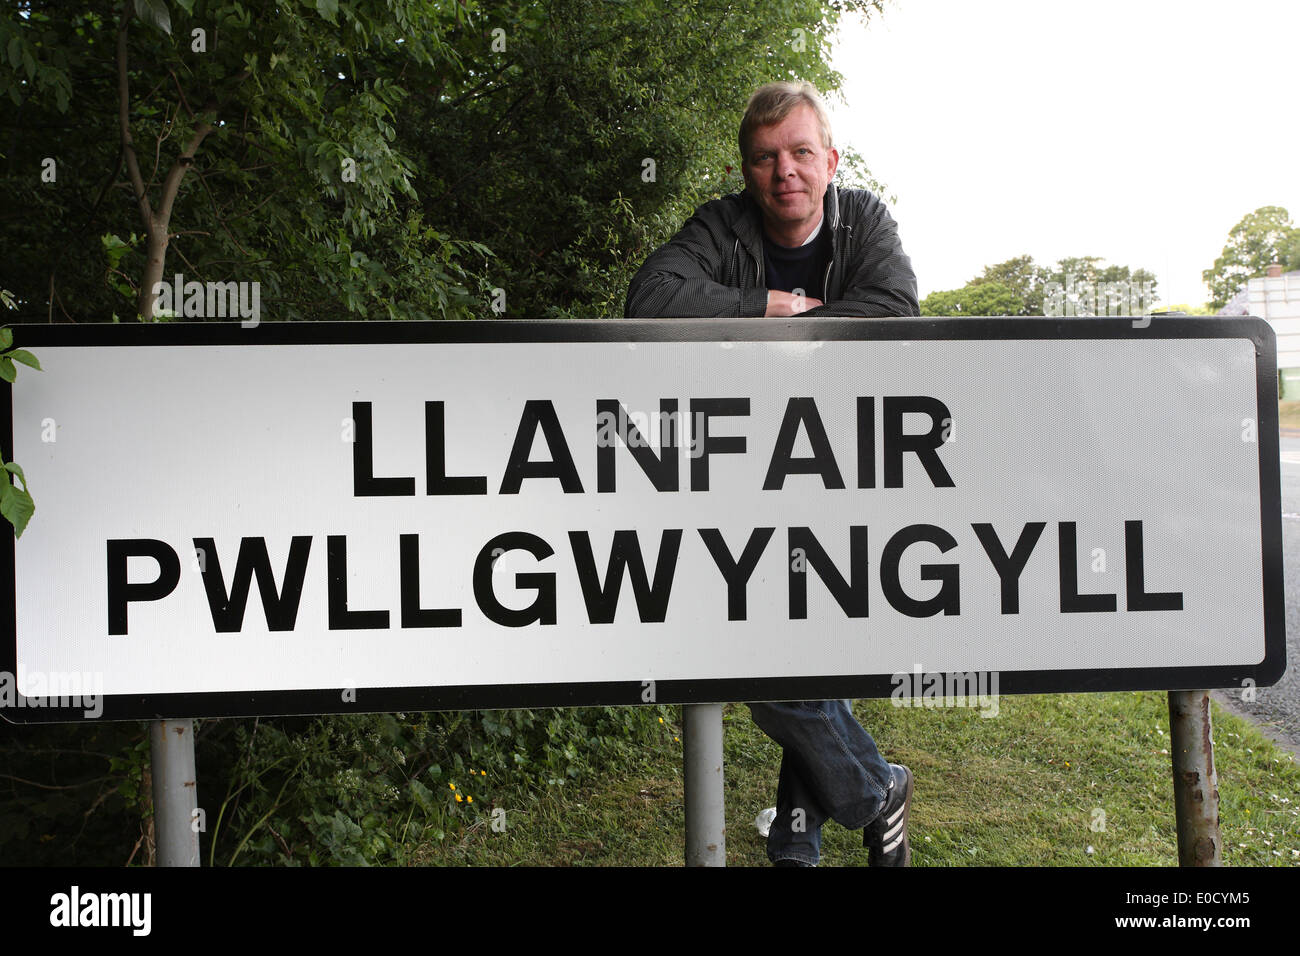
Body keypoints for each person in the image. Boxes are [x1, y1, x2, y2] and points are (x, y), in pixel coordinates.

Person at [624, 81, 918, 867]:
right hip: (749, 468)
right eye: (763, 157)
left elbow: (893, 314)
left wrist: (783, 339)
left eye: (798, 152)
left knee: (804, 651)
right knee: (768, 653)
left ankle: (799, 849)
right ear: (747, 169)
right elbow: (650, 299)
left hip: (847, 465)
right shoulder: (721, 225)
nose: (783, 171)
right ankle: (872, 791)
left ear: (831, 158)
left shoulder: (867, 221)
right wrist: (769, 308)